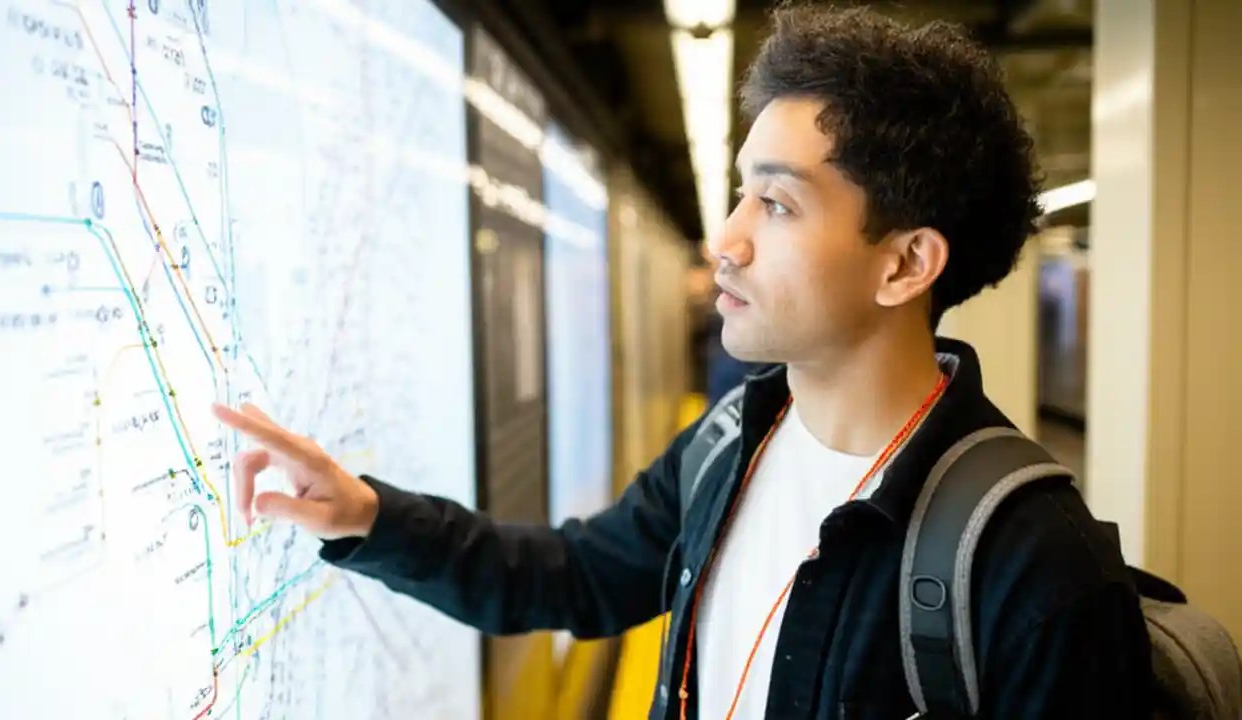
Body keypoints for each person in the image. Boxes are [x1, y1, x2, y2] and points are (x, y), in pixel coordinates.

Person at [212, 6, 1153, 719]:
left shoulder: (1035, 570)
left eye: (776, 206)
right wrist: (370, 517)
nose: (726, 242)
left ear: (905, 263)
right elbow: (575, 576)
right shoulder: (737, 435)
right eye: (743, 194)